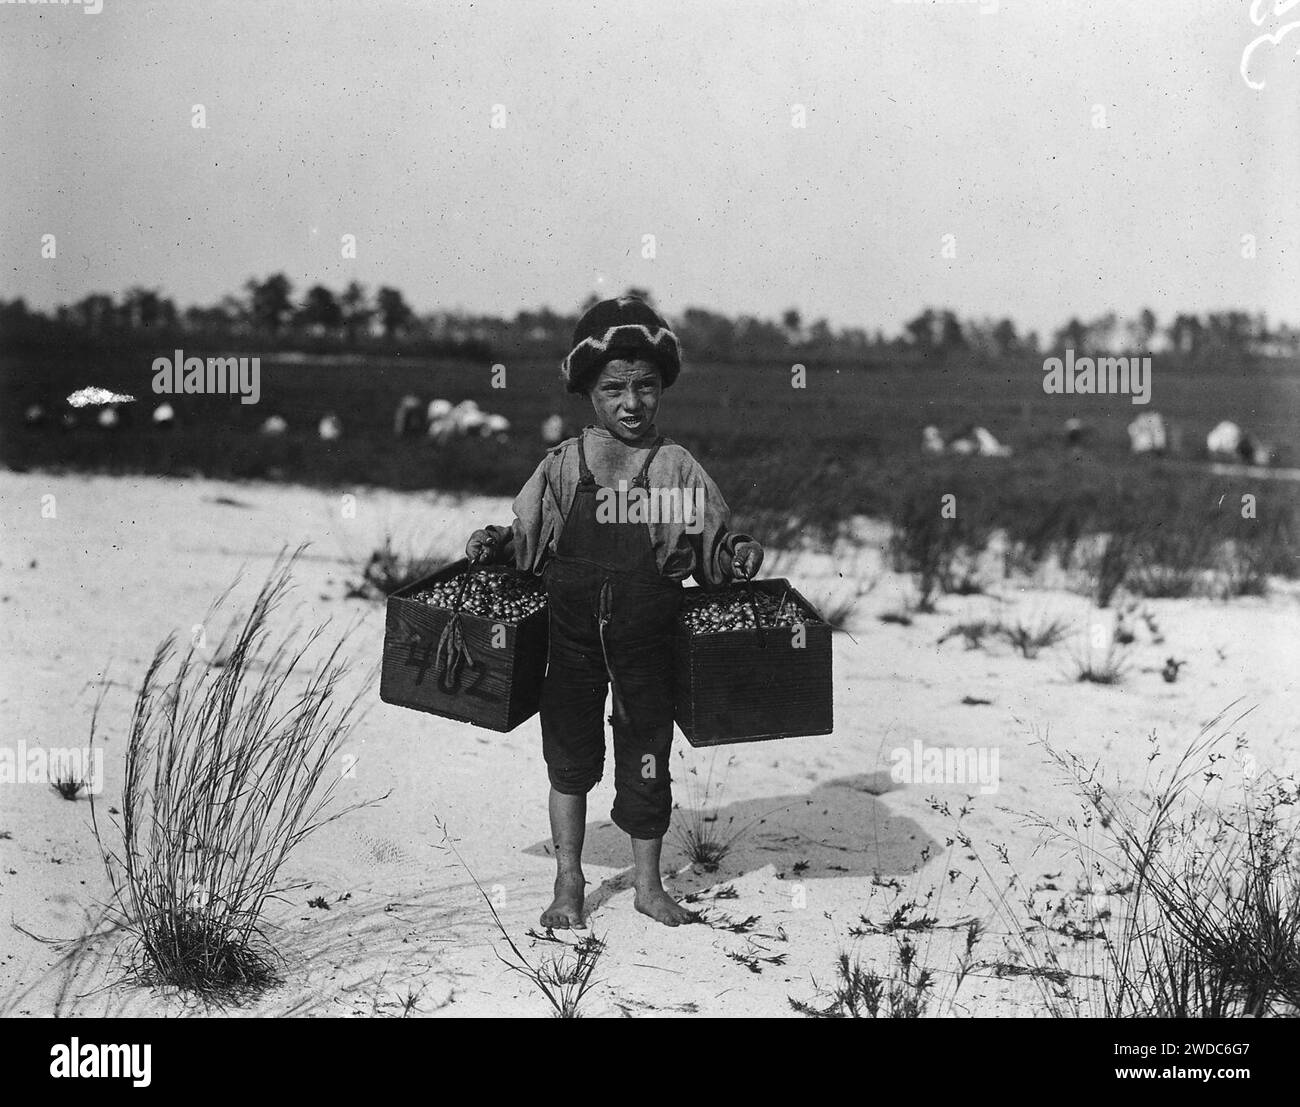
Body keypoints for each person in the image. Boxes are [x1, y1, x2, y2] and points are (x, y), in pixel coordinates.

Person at [465, 297, 763, 929]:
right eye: (615, 389)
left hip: (647, 643)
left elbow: (712, 550)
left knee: (648, 756)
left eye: (646, 388)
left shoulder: (677, 467)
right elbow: (527, 539)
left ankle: (650, 886)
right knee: (569, 758)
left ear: (662, 389)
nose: (632, 403)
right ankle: (569, 880)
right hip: (570, 643)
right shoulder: (565, 463)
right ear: (589, 394)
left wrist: (736, 554)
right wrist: (493, 544)